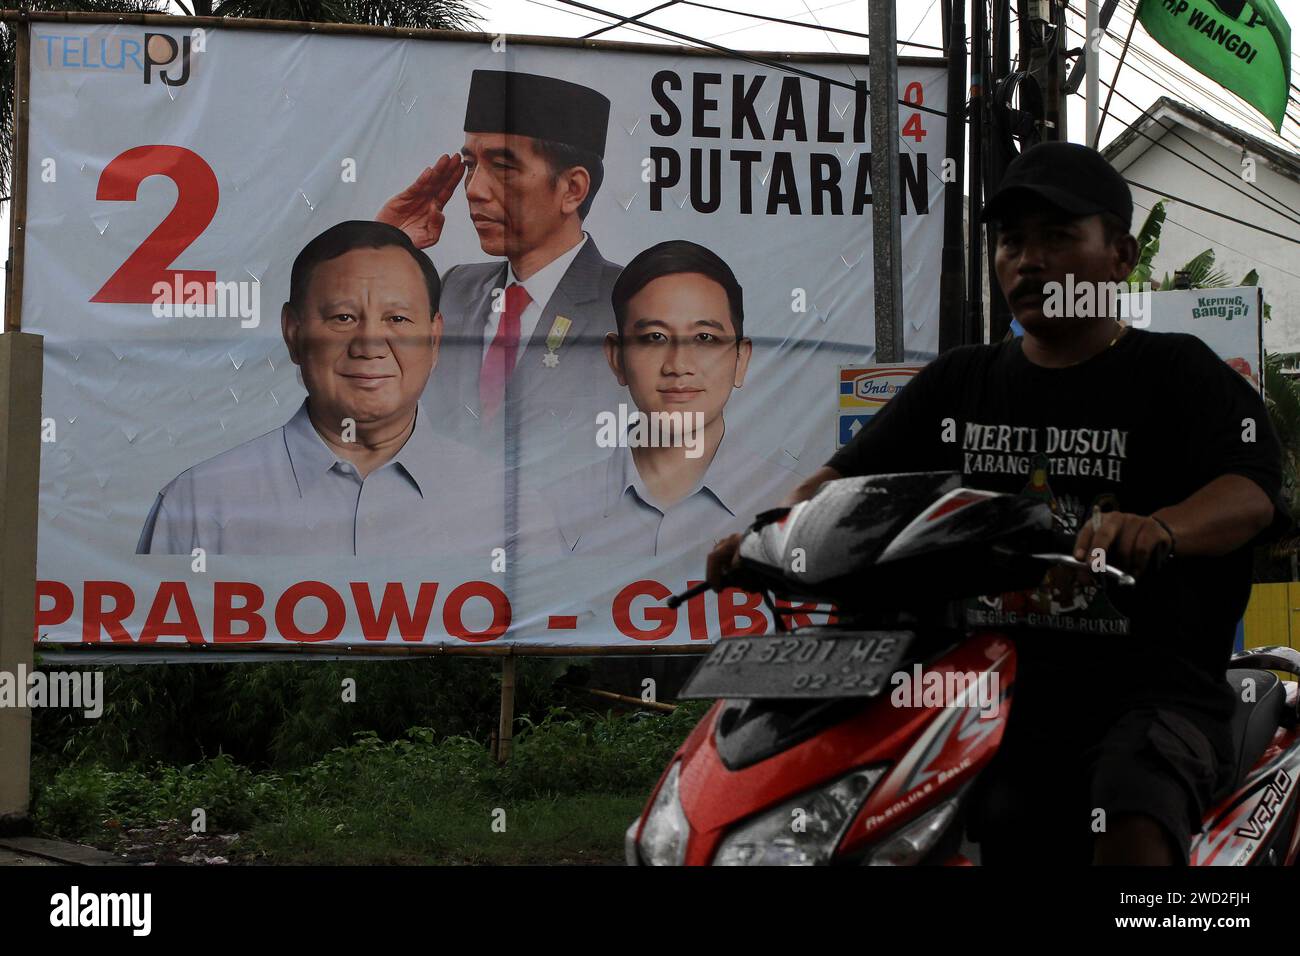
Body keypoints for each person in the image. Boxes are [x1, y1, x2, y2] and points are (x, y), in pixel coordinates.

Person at [706, 142, 1287, 866]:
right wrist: (766, 532)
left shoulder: (1178, 374)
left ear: (1121, 254)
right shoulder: (959, 382)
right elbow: (840, 479)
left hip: (1150, 690)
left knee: (1128, 804)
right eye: (1012, 240)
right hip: (989, 684)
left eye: (1057, 236)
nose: (1028, 259)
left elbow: (1251, 492)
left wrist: (1161, 527)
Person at [138, 220, 557, 557]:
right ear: (293, 333)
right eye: (342, 318)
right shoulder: (196, 504)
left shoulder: (510, 509)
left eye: (397, 320)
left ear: (434, 339)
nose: (370, 346)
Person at [376, 69, 623, 479]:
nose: (474, 189)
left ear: (573, 189)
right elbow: (359, 374)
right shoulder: (456, 288)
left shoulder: (629, 302)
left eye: (503, 166)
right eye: (471, 165)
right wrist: (384, 247)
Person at [546, 240, 800, 556]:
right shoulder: (553, 510)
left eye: (705, 338)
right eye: (654, 337)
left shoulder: (792, 507)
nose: (678, 365)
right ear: (616, 358)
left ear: (741, 359)